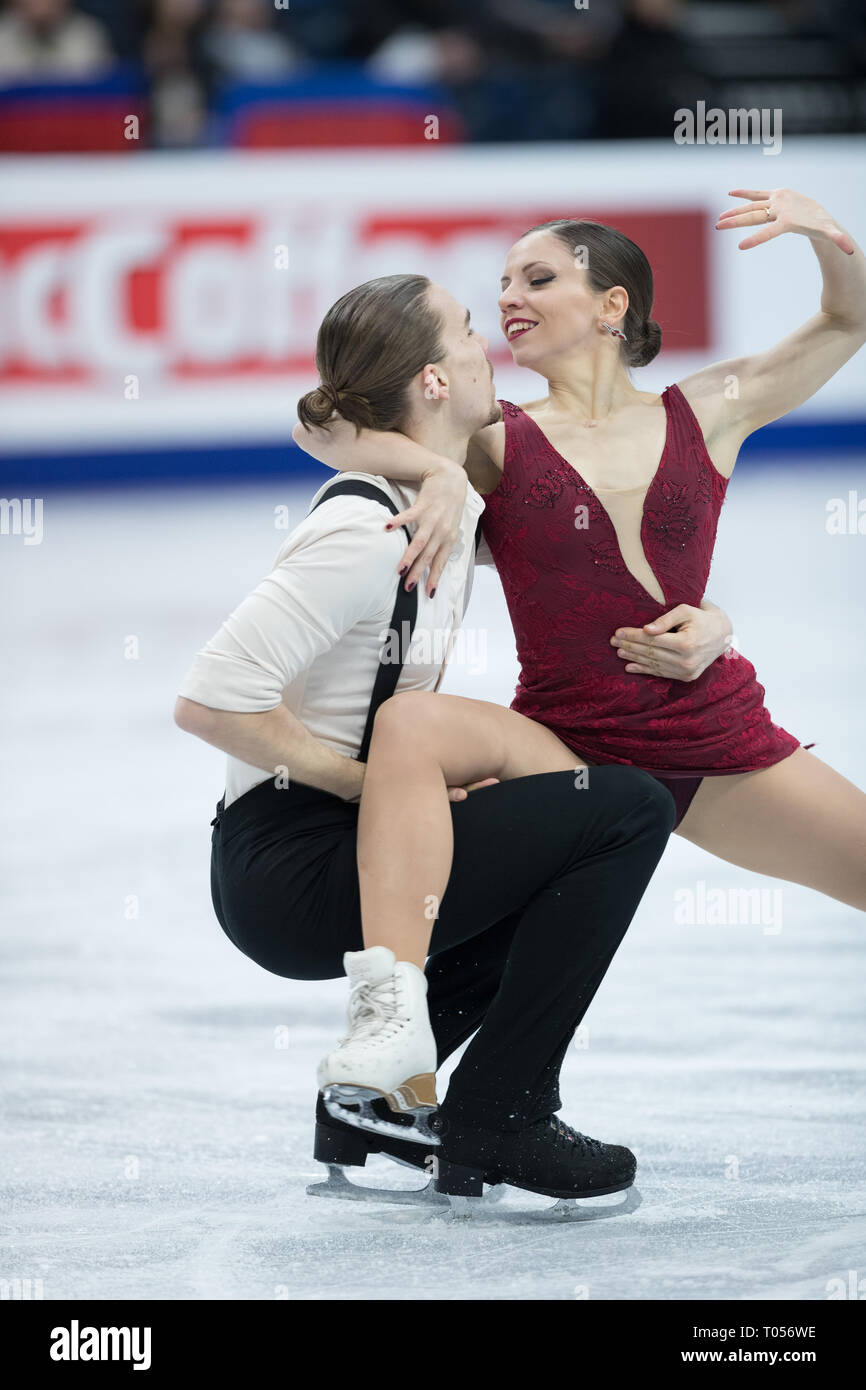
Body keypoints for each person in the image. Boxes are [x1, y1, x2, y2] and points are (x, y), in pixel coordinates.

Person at [175, 272, 676, 1206]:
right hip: (288, 866)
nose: (491, 347)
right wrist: (369, 787)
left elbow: (321, 421)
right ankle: (504, 1111)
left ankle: (370, 1105)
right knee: (623, 812)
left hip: (326, 845)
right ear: (436, 381)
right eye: (470, 332)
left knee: (564, 823)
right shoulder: (365, 532)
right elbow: (210, 700)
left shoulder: (446, 502)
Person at [294, 188, 866, 912]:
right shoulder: (493, 439)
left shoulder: (709, 408)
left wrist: (829, 237)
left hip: (713, 737)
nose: (508, 299)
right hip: (568, 752)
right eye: (501, 285)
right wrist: (438, 470)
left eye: (537, 279)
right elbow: (319, 423)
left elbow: (850, 318)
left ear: (611, 305)